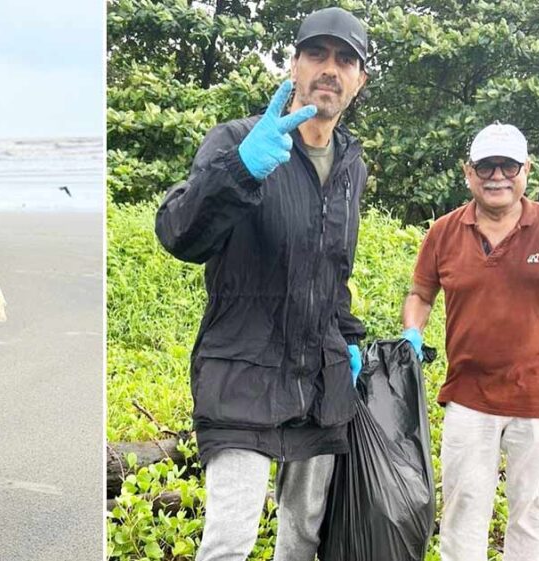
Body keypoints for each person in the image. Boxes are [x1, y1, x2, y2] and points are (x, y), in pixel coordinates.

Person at [154, 7, 371, 560]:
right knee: (230, 541)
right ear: (294, 64)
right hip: (240, 371)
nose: (330, 69)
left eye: (345, 59)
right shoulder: (237, 139)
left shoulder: (351, 165)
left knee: (302, 535)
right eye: (317, 55)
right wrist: (240, 171)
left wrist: (347, 338)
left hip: (318, 380)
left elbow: (334, 267)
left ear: (359, 80)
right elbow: (179, 234)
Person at [400, 123, 539, 561]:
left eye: (508, 165)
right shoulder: (443, 231)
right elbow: (421, 292)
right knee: (461, 513)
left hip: (538, 397)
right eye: (486, 165)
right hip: (467, 396)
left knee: (530, 518)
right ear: (468, 173)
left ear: (526, 170)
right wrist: (412, 329)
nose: (497, 175)